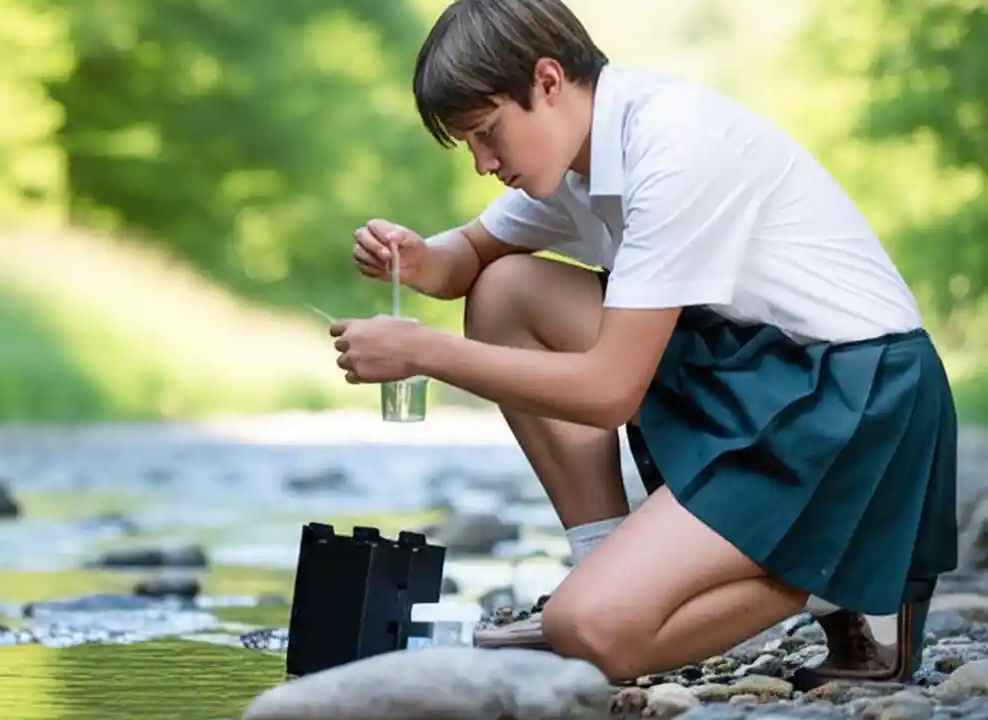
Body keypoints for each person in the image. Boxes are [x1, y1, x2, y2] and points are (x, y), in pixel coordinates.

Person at [330, 0, 958, 685]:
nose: (483, 163)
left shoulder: (671, 144)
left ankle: (845, 567)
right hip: (760, 371)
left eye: (487, 133)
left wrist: (424, 353)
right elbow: (470, 258)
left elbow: (609, 390)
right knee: (504, 289)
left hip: (853, 397)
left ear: (546, 81)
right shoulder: (577, 157)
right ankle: (602, 558)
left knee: (589, 631)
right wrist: (419, 259)